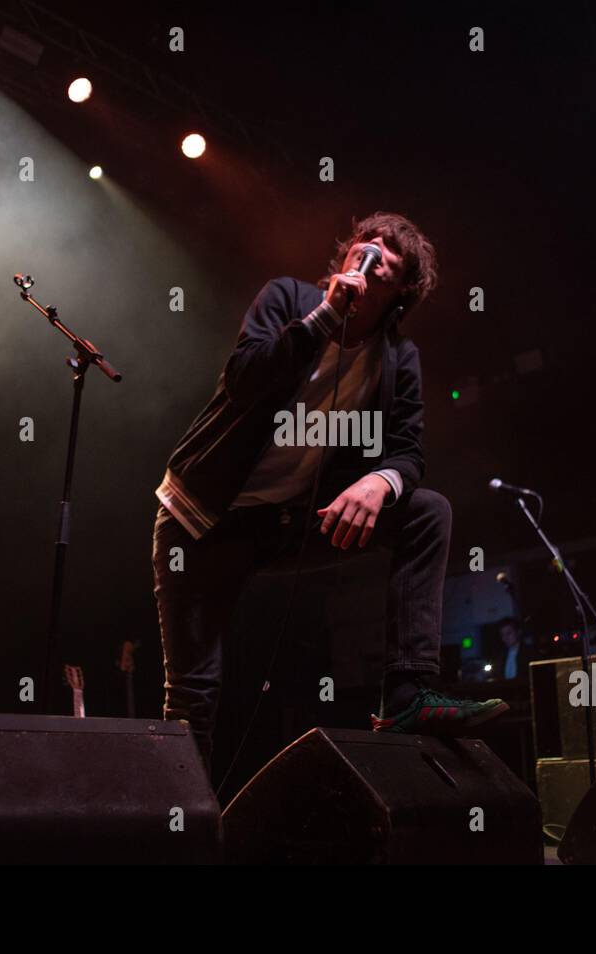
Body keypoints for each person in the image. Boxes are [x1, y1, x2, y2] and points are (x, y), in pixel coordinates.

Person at [151, 211, 508, 773]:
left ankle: (407, 694)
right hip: (203, 522)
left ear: (400, 291)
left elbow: (408, 450)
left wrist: (379, 480)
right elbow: (244, 379)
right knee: (194, 693)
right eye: (366, 243)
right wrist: (323, 319)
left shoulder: (397, 359)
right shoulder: (290, 301)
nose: (373, 253)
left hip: (290, 524)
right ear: (345, 258)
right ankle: (183, 825)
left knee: (426, 512)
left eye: (389, 256)